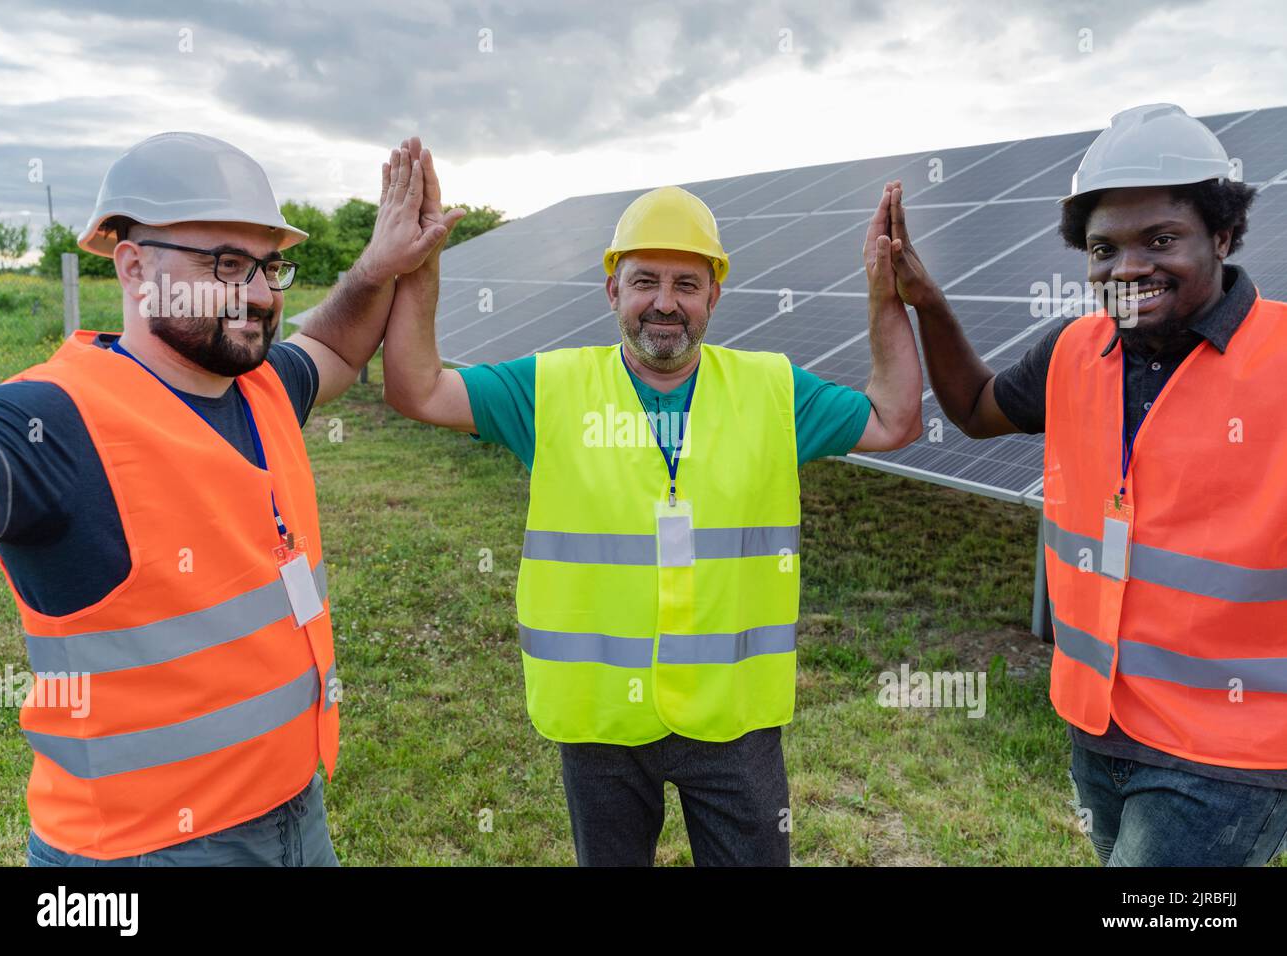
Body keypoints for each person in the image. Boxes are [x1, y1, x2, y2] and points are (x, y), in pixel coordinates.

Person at [382, 181, 922, 865]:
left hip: (734, 720)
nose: (665, 302)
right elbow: (416, 387)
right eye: (645, 281)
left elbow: (894, 418)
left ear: (714, 297)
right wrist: (418, 265)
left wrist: (884, 297)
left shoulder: (772, 390)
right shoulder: (549, 389)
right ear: (612, 290)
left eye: (687, 284)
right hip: (600, 719)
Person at [0, 131, 462, 866]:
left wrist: (377, 267)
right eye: (228, 265)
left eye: (270, 266)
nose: (266, 295)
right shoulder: (49, 423)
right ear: (136, 267)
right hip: (140, 853)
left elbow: (333, 347)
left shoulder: (260, 384)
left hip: (295, 815)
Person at [887, 103, 1287, 866]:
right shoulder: (1076, 348)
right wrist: (927, 302)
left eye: (1160, 240)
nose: (1127, 269)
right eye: (1104, 249)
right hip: (1097, 728)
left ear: (1224, 236)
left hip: (1230, 760)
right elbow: (974, 408)